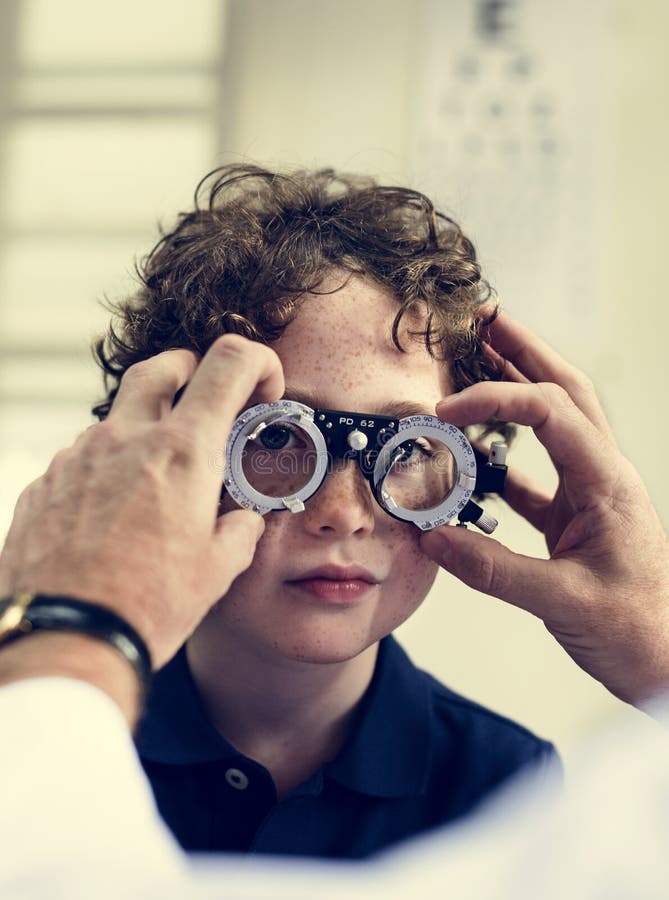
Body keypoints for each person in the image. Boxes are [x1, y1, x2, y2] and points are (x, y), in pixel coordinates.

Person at [0, 164, 667, 867]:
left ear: (469, 476)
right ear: (162, 461)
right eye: (278, 437)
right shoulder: (51, 718)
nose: (342, 515)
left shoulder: (505, 783)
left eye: (409, 448)